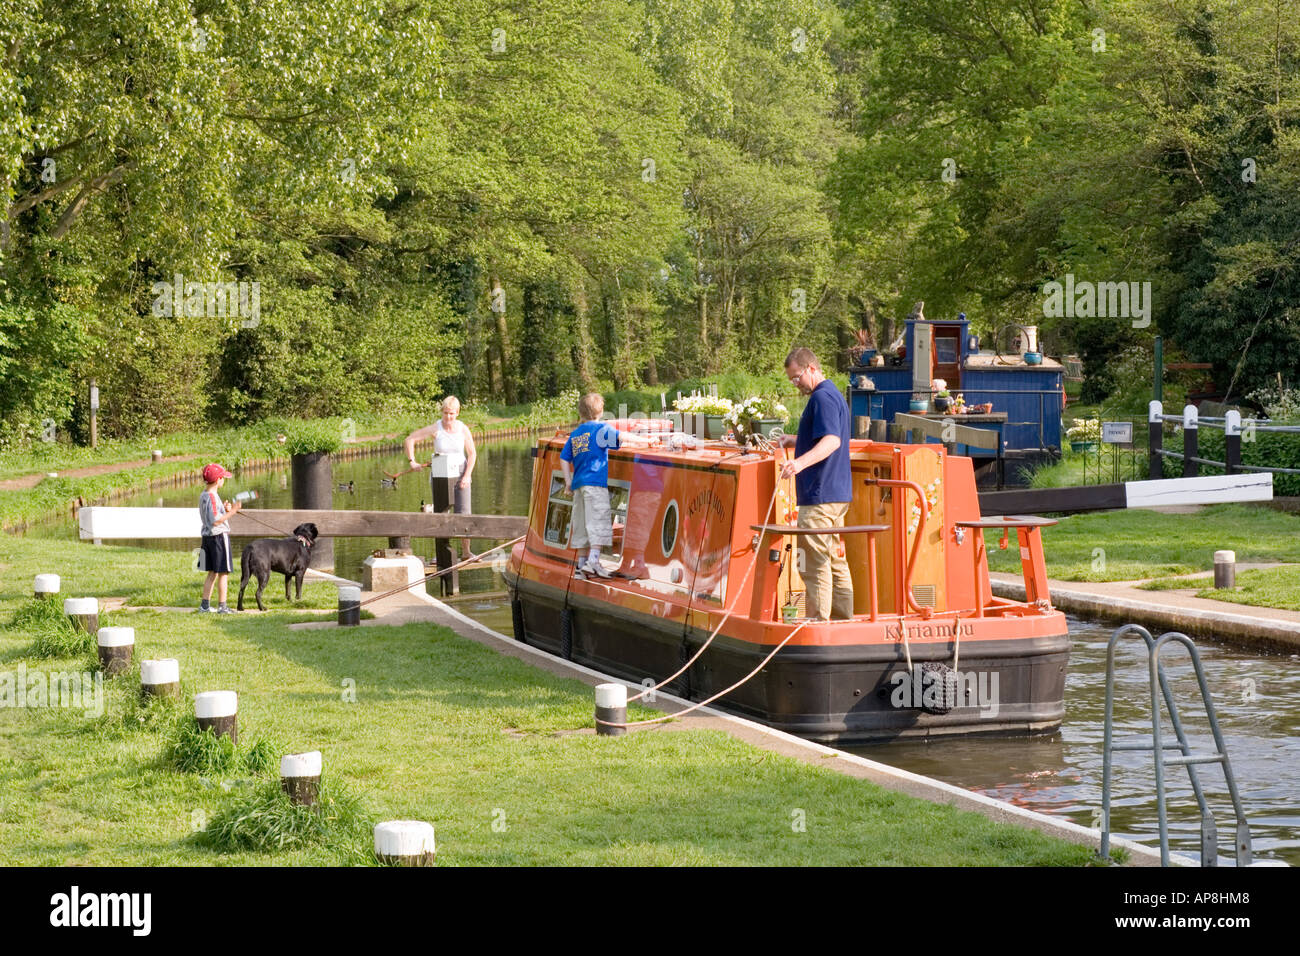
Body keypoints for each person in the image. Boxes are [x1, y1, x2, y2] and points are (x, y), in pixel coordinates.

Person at [779, 347, 854, 620]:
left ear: (811, 368)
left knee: (814, 562)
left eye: (796, 377)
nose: (795, 383)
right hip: (837, 493)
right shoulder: (834, 394)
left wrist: (798, 464)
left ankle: (818, 623)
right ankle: (843, 619)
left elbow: (831, 440)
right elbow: (826, 435)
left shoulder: (822, 398)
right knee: (835, 559)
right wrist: (794, 441)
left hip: (820, 495)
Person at [560, 392, 657, 578]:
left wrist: (568, 482)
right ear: (601, 411)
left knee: (581, 526)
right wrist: (648, 440)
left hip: (578, 485)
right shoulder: (601, 430)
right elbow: (624, 437)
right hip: (595, 484)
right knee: (598, 522)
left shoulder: (576, 434)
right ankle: (594, 561)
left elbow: (564, 458)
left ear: (580, 414)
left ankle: (580, 567)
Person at [405, 396, 478, 559]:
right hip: (440, 471)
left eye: (451, 413)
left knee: (464, 513)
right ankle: (441, 553)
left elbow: (472, 453)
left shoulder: (462, 428)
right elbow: (410, 439)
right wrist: (412, 461)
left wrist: (467, 475)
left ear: (457, 413)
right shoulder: (436, 428)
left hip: (460, 472)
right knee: (442, 513)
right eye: (445, 413)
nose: (448, 417)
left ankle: (466, 552)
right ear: (442, 412)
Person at [198, 462, 241, 613]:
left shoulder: (204, 495)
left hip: (207, 537)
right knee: (223, 572)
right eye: (223, 478)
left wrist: (224, 508)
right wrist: (233, 511)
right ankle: (222, 606)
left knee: (212, 572)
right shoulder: (213, 496)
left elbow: (212, 513)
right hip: (218, 538)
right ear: (218, 481)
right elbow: (216, 520)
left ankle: (205, 606)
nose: (224, 480)